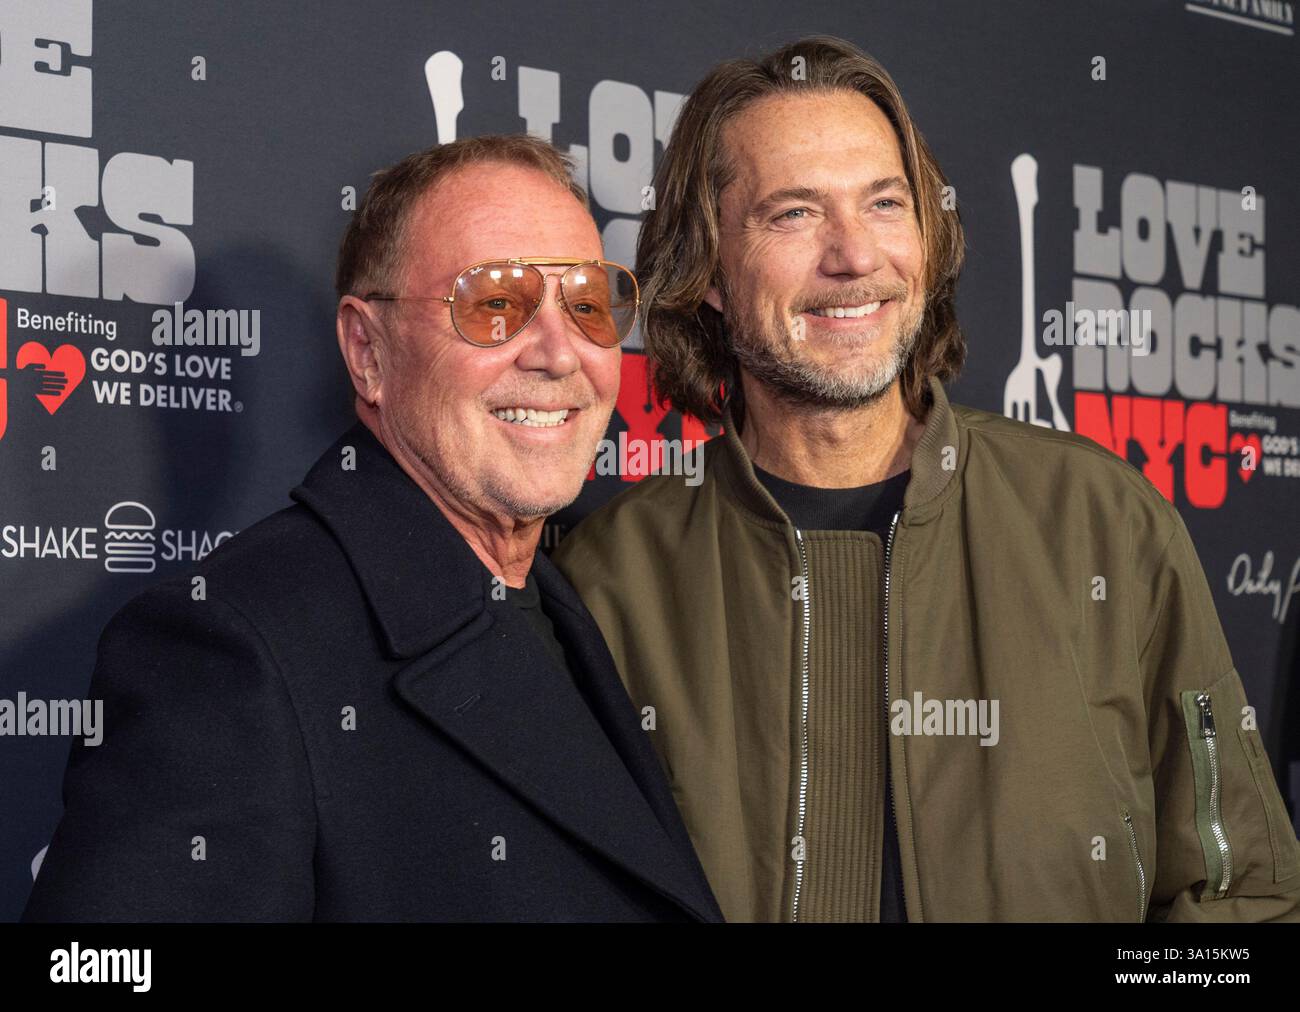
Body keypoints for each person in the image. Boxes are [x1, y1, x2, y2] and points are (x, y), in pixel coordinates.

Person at [552, 36, 1300, 922]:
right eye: (794, 214)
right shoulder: (608, 580)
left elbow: (1246, 899)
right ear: (709, 270)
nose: (856, 256)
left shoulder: (1102, 520)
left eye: (884, 203)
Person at [23, 135, 722, 923]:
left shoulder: (569, 601)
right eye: (495, 303)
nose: (562, 353)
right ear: (368, 351)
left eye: (589, 304)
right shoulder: (231, 652)